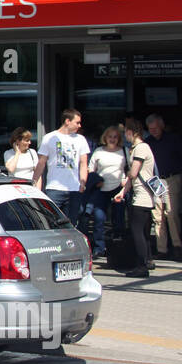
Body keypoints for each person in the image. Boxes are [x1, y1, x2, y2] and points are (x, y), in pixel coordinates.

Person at [114, 118, 157, 278]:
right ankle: (148, 260)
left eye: (126, 132)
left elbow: (133, 173)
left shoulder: (140, 148)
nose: (125, 136)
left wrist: (126, 178)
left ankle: (141, 266)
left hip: (142, 197)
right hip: (144, 196)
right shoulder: (142, 147)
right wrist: (123, 192)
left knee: (137, 231)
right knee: (143, 232)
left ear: (132, 132)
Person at [33, 108, 89, 226]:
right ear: (67, 121)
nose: (79, 125)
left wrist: (83, 183)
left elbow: (84, 163)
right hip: (54, 187)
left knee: (71, 223)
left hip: (74, 188)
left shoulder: (81, 139)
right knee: (51, 221)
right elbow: (41, 162)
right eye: (77, 122)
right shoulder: (49, 137)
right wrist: (34, 181)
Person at [145, 113, 182, 261]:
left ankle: (177, 246)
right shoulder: (147, 142)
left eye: (155, 128)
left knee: (171, 213)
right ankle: (162, 249)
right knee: (158, 216)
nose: (153, 131)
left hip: (171, 178)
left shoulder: (173, 139)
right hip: (155, 180)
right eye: (150, 129)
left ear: (161, 126)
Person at [85, 125, 128, 259]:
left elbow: (131, 169)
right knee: (99, 219)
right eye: (110, 136)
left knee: (118, 219)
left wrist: (126, 181)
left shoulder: (124, 151)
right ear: (105, 137)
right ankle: (99, 248)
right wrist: (95, 180)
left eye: (115, 137)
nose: (112, 139)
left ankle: (117, 246)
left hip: (118, 189)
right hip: (101, 189)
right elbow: (90, 169)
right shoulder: (98, 151)